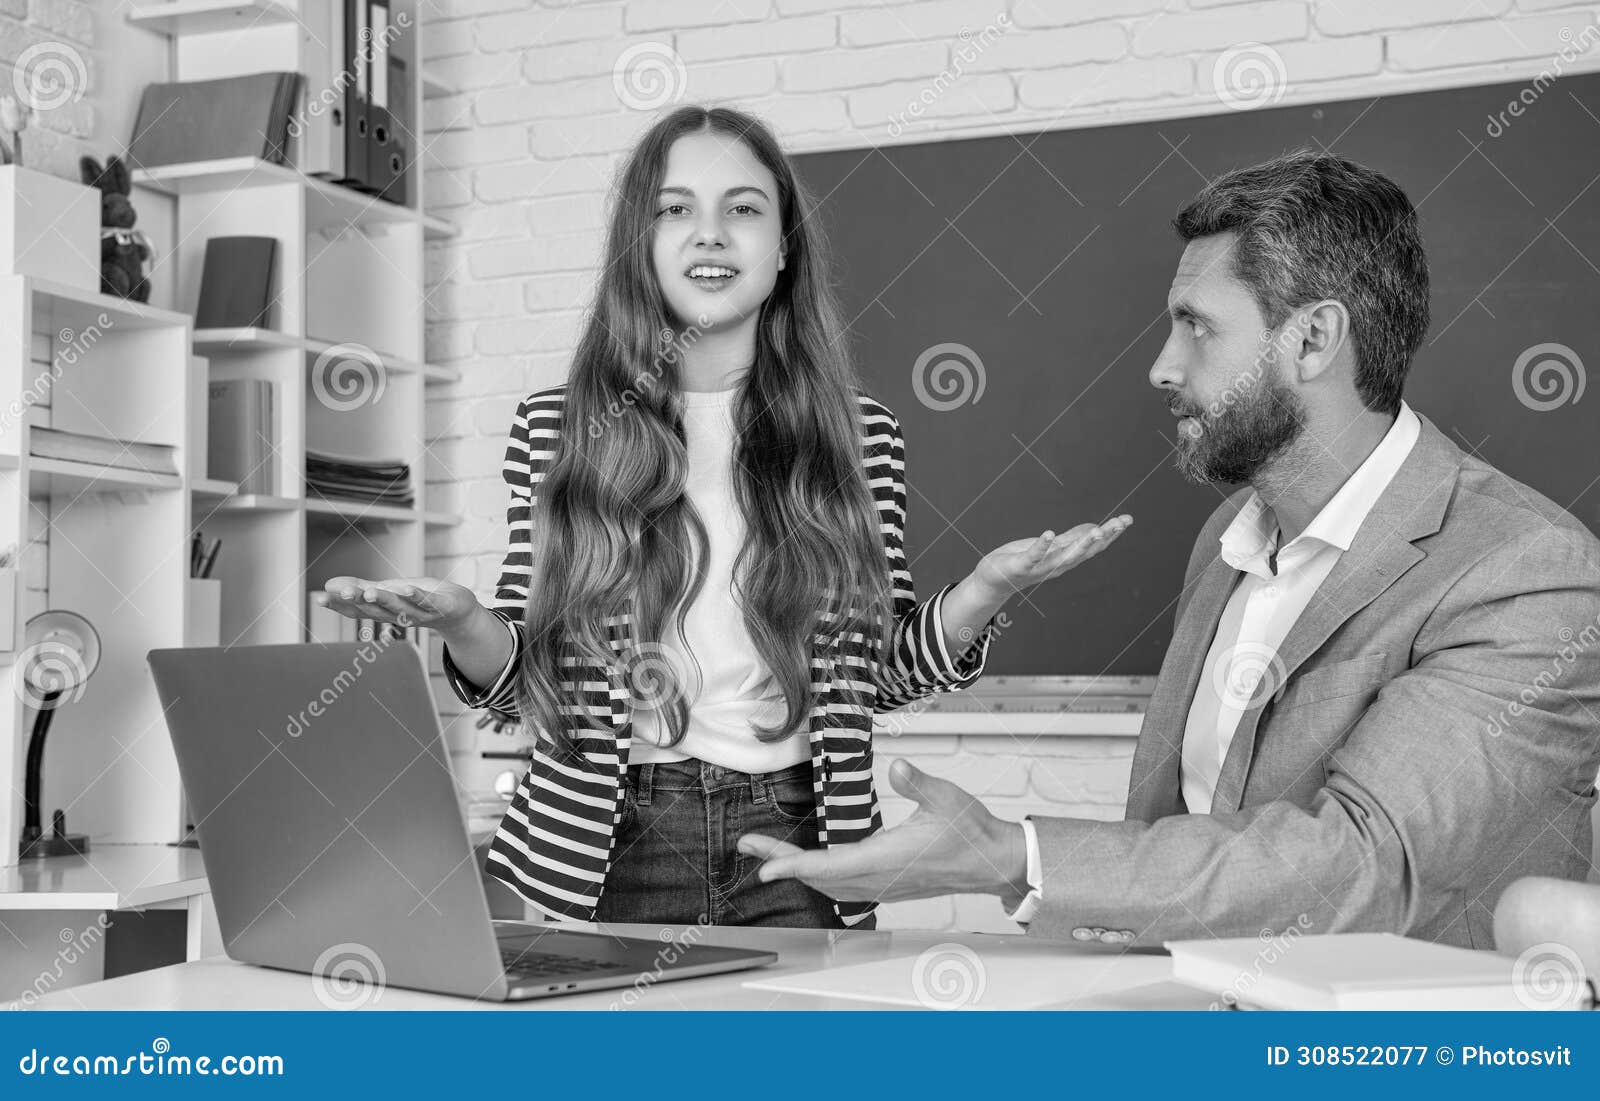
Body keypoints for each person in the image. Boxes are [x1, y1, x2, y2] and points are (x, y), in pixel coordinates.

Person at [740, 150, 1600, 950]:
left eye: (1196, 327)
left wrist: (1012, 855)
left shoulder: (1523, 573)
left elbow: (1363, 863)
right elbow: (1184, 826)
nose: (1159, 365)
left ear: (1311, 339)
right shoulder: (1228, 542)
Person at [315, 104, 1130, 929]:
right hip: (607, 840)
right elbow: (529, 678)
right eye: (675, 210)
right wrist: (460, 622)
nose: (709, 234)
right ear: (643, 245)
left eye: (742, 209)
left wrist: (983, 592)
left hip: (801, 843)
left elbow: (877, 676)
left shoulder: (860, 436)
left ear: (781, 251)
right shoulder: (560, 427)